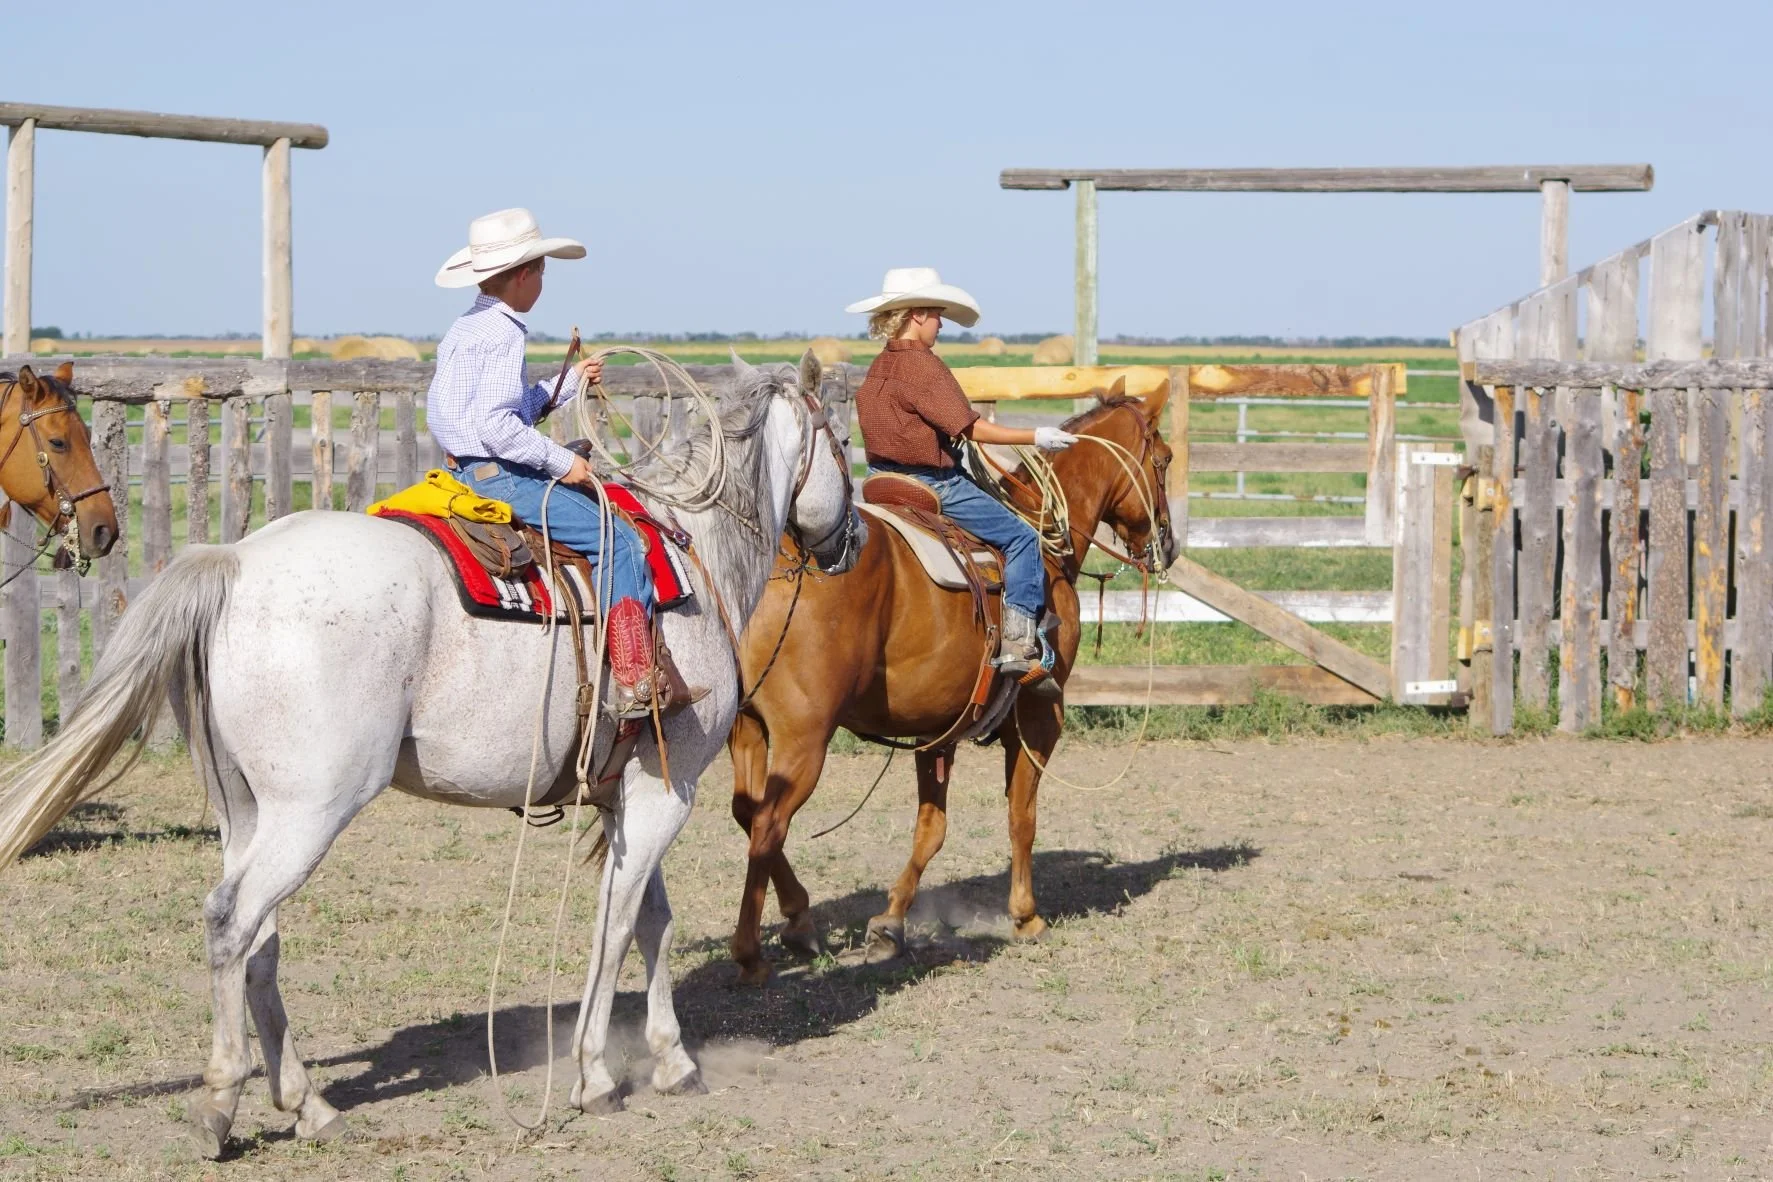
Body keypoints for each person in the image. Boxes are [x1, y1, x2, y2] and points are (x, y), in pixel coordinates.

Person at [427, 207, 696, 720]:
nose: (543, 284)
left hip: (465, 471)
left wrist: (567, 385)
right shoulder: (504, 332)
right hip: (500, 475)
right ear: (525, 275)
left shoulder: (465, 328)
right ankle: (637, 680)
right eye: (542, 272)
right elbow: (497, 428)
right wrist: (559, 462)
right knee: (617, 539)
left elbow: (480, 414)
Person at [846, 267, 1078, 678]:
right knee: (1023, 537)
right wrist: (1035, 435)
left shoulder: (879, 366)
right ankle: (1019, 639)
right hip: (932, 483)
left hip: (881, 481)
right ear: (917, 315)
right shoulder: (922, 366)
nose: (940, 325)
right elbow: (970, 428)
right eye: (936, 315)